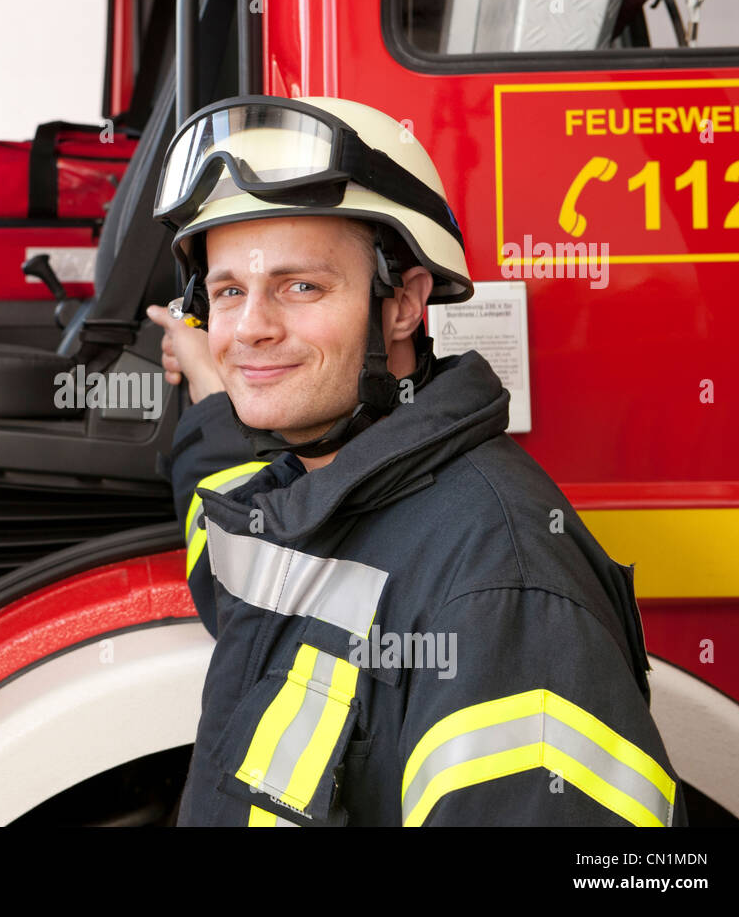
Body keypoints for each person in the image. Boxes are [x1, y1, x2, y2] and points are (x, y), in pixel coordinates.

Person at [145, 94, 686, 827]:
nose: (251, 330)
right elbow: (235, 567)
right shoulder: (309, 496)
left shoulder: (502, 591)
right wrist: (212, 405)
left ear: (404, 303)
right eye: (229, 292)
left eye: (300, 286)